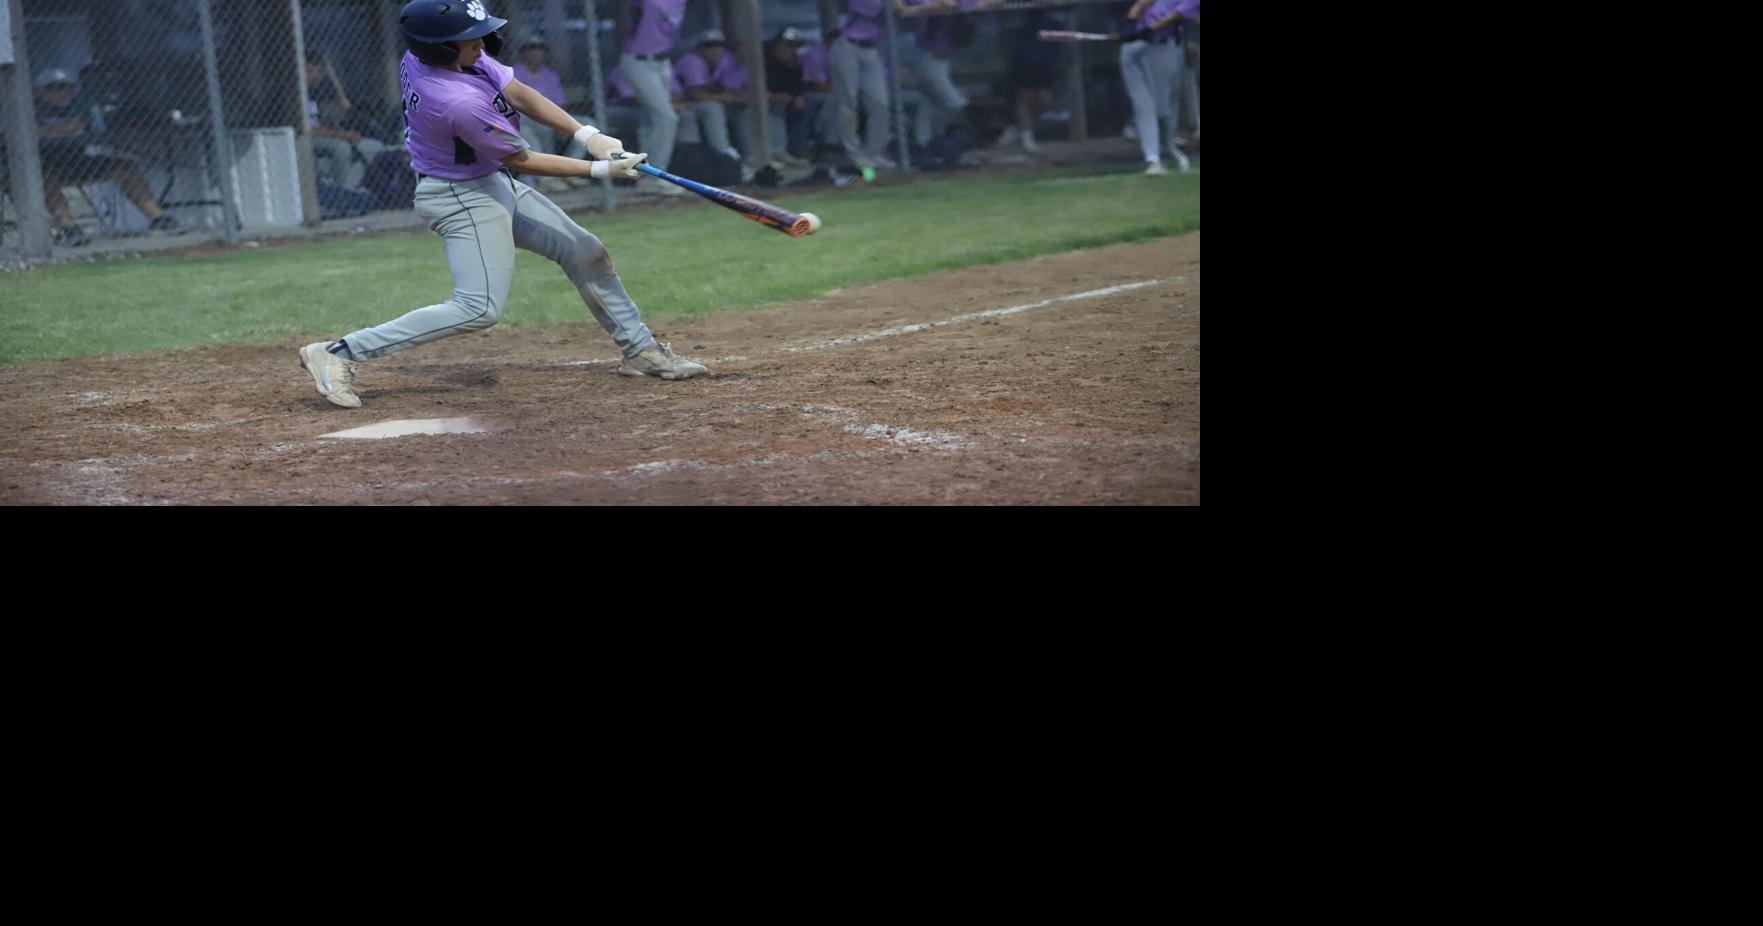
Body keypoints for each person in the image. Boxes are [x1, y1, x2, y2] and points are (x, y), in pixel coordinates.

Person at [299, 1, 707, 410]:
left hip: (485, 182)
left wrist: (587, 134)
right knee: (478, 308)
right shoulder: (454, 100)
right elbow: (519, 159)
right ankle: (339, 352)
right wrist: (600, 170)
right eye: (468, 39)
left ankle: (639, 350)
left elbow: (518, 92)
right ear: (440, 47)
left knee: (585, 251)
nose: (481, 44)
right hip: (461, 197)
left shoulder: (442, 58)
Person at [32, 68, 178, 247]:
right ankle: (68, 228)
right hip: (41, 165)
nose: (62, 92)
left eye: (65, 86)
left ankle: (158, 218)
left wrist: (56, 130)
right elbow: (28, 132)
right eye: (53, 88)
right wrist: (63, 128)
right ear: (40, 91)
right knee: (46, 178)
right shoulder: (28, 107)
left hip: (77, 161)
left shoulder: (83, 105)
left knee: (126, 168)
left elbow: (98, 129)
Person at [1116, 0, 1196, 176]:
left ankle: (1167, 147)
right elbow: (1141, 4)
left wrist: (1150, 30)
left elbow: (1176, 16)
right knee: (1142, 105)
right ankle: (1152, 160)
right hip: (1134, 49)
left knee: (1161, 110)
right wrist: (1131, 24)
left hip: (1162, 48)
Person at [617, 0, 690, 193]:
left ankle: (645, 175)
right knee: (667, 118)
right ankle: (654, 177)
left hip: (663, 63)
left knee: (652, 122)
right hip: (638, 61)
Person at [510, 36, 593, 190]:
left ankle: (569, 172)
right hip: (521, 120)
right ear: (523, 52)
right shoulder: (513, 73)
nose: (536, 53)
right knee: (532, 132)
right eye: (531, 48)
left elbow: (560, 104)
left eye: (539, 49)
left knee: (587, 123)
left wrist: (564, 123)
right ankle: (546, 180)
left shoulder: (550, 75)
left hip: (547, 118)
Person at [305, 50, 390, 191]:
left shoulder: (314, 94)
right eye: (310, 71)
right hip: (306, 140)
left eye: (319, 72)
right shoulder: (297, 96)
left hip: (323, 136)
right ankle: (337, 193)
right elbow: (309, 131)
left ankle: (371, 188)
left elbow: (321, 123)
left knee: (375, 145)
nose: (316, 76)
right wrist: (341, 136)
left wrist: (340, 131)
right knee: (341, 148)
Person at [830, 0, 894, 169]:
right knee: (848, 102)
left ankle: (874, 153)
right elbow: (877, 8)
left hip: (871, 50)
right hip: (848, 46)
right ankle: (853, 154)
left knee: (880, 102)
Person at [674, 29, 751, 165]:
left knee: (741, 108)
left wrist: (734, 96)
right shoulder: (691, 61)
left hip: (693, 104)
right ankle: (723, 153)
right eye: (709, 46)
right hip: (678, 104)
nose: (715, 50)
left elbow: (733, 89)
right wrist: (728, 97)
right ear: (699, 49)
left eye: (719, 45)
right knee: (713, 108)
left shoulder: (724, 61)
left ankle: (751, 155)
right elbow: (696, 95)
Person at [761, 27, 817, 165]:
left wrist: (797, 96)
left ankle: (796, 151)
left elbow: (796, 85)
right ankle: (777, 151)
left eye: (794, 46)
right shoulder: (762, 57)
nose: (790, 49)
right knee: (776, 107)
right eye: (787, 45)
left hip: (784, 98)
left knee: (806, 103)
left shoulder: (793, 63)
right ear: (778, 43)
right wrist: (771, 95)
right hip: (762, 98)